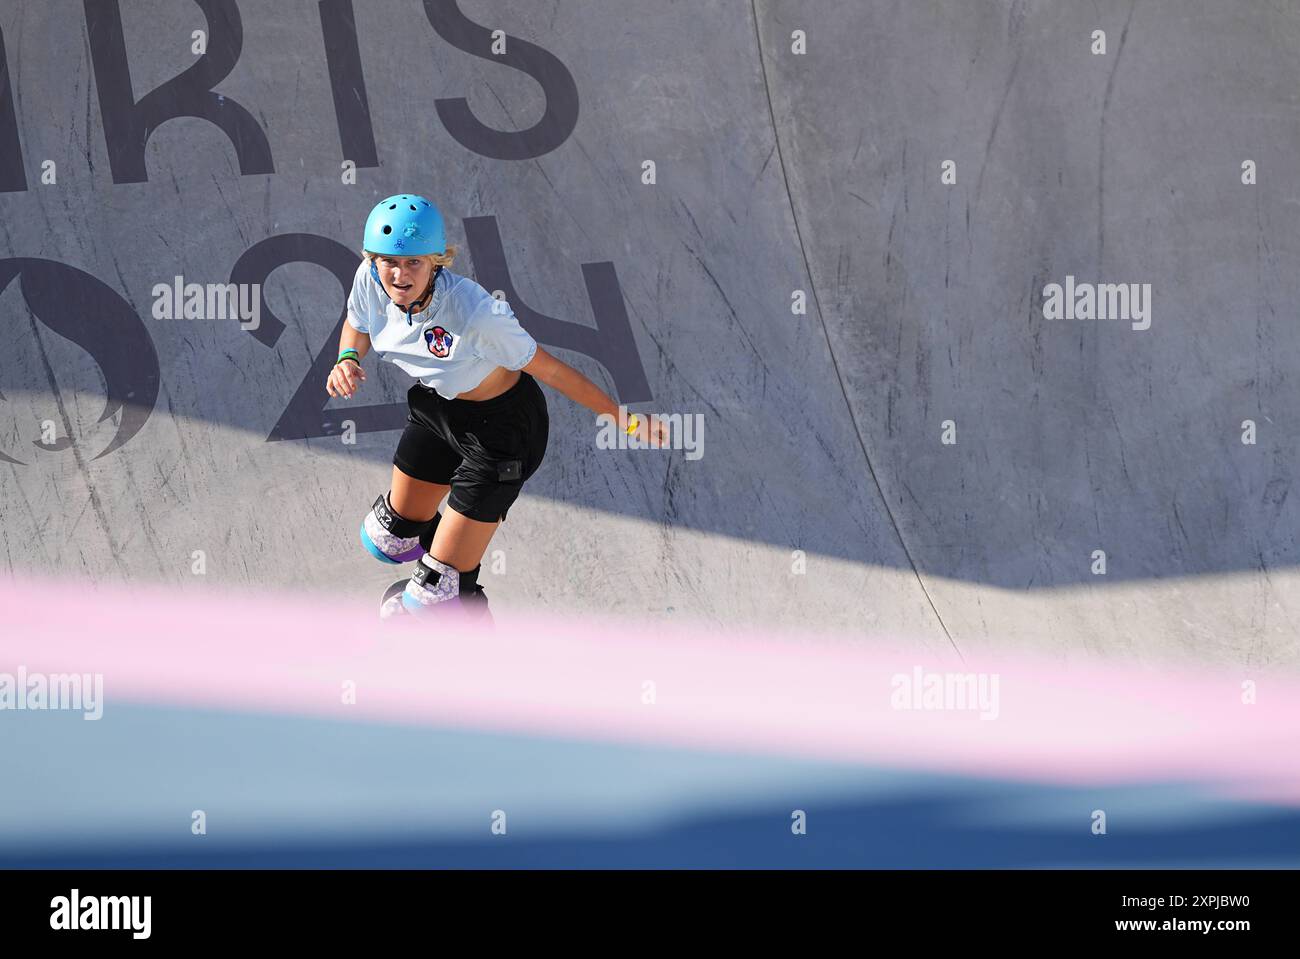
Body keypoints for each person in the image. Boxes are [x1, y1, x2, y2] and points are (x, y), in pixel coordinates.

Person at [327, 194, 668, 619]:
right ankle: (439, 575)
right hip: (438, 412)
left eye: (414, 263)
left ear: (436, 261)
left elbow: (552, 370)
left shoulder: (475, 313)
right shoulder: (369, 279)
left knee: (435, 593)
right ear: (373, 260)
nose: (400, 275)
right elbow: (356, 325)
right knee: (386, 538)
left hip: (502, 434)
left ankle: (461, 608)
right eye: (390, 263)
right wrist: (347, 359)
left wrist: (626, 421)